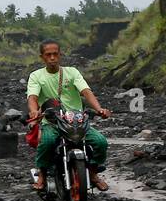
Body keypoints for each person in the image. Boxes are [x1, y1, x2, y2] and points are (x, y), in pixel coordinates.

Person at [26, 40, 112, 192]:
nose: (52, 57)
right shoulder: (36, 76)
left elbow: (86, 91)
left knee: (100, 142)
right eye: (48, 55)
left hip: (77, 121)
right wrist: (34, 111)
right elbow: (32, 97)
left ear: (60, 55)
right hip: (52, 122)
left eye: (55, 54)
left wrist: (99, 109)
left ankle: (93, 174)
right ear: (42, 57)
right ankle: (43, 175)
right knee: (47, 142)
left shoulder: (72, 72)